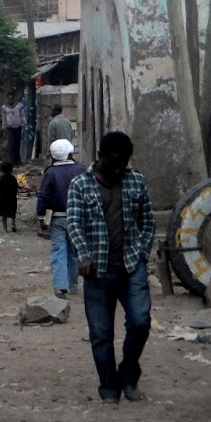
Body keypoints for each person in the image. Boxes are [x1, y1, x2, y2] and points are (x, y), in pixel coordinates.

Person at [66, 130, 157, 405]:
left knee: (141, 322)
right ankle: (109, 388)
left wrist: (142, 252)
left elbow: (148, 221)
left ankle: (129, 373)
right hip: (98, 271)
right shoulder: (80, 185)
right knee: (101, 333)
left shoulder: (136, 181)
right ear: (101, 157)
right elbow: (74, 223)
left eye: (124, 163)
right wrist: (84, 255)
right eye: (115, 162)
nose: (120, 169)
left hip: (131, 266)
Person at [36, 139, 87, 297]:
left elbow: (43, 196)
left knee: (59, 250)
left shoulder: (50, 172)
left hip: (57, 217)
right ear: (70, 153)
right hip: (78, 218)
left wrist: (40, 216)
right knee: (74, 252)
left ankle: (60, 285)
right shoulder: (81, 170)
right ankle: (72, 285)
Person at [0, 160, 19, 232]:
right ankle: (13, 223)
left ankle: (5, 228)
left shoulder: (1, 178)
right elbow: (16, 188)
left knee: (4, 214)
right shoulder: (13, 178)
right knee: (12, 212)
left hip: (3, 198)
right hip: (12, 198)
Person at [1, 96, 25, 165]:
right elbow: (4, 119)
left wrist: (25, 124)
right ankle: (11, 162)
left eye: (11, 99)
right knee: (11, 144)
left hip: (18, 127)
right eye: (8, 99)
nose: (10, 100)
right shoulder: (4, 108)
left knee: (17, 144)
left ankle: (18, 161)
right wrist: (4, 129)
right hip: (9, 127)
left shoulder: (19, 106)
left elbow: (22, 115)